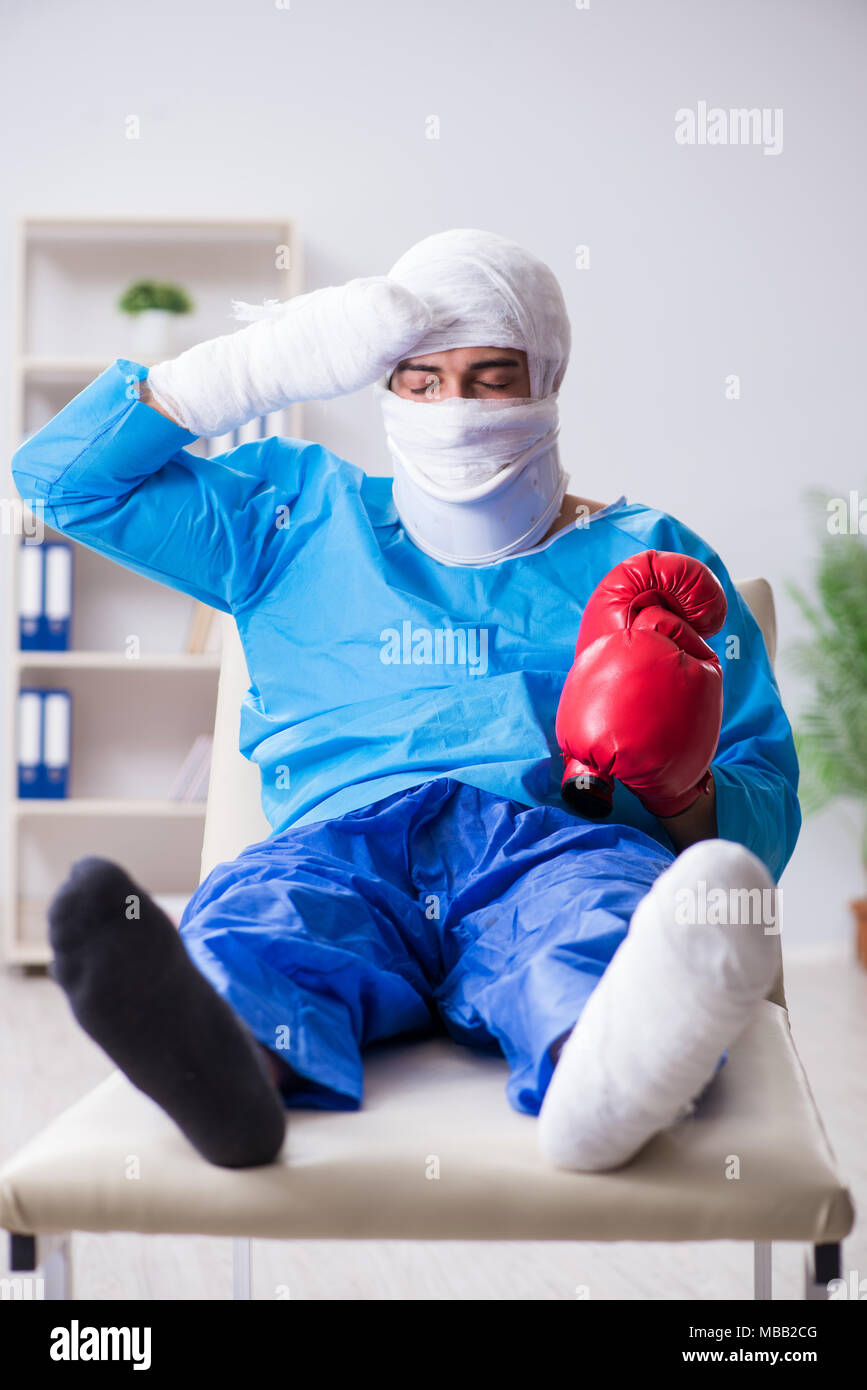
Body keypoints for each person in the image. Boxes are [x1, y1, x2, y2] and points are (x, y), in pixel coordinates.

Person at [11, 229, 799, 1172]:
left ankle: (598, 1080)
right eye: (419, 380)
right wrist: (258, 366)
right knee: (263, 921)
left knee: (601, 925)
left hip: (557, 849)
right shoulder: (290, 516)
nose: (452, 408)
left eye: (490, 378)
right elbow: (60, 480)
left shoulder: (651, 560)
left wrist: (679, 793)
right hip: (337, 844)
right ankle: (233, 1078)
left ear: (546, 381)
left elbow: (763, 817)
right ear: (380, 385)